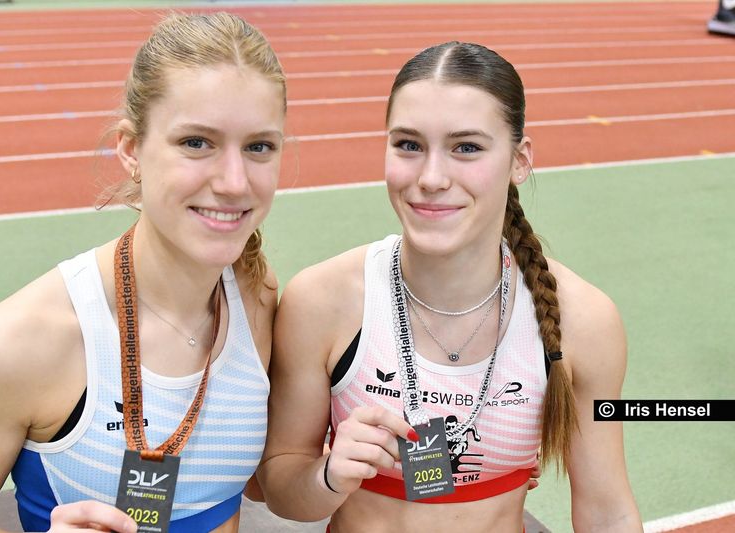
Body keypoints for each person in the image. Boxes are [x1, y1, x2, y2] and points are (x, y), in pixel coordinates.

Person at [258, 42, 642, 531]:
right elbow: (283, 492)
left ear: (520, 160)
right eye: (408, 145)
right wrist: (329, 477)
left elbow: (607, 511)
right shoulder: (322, 301)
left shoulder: (584, 321)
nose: (431, 177)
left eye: (467, 148)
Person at [0, 12, 285, 532]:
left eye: (259, 146)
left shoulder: (255, 295)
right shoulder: (19, 343)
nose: (235, 182)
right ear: (131, 150)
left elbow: (237, 480)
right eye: (197, 142)